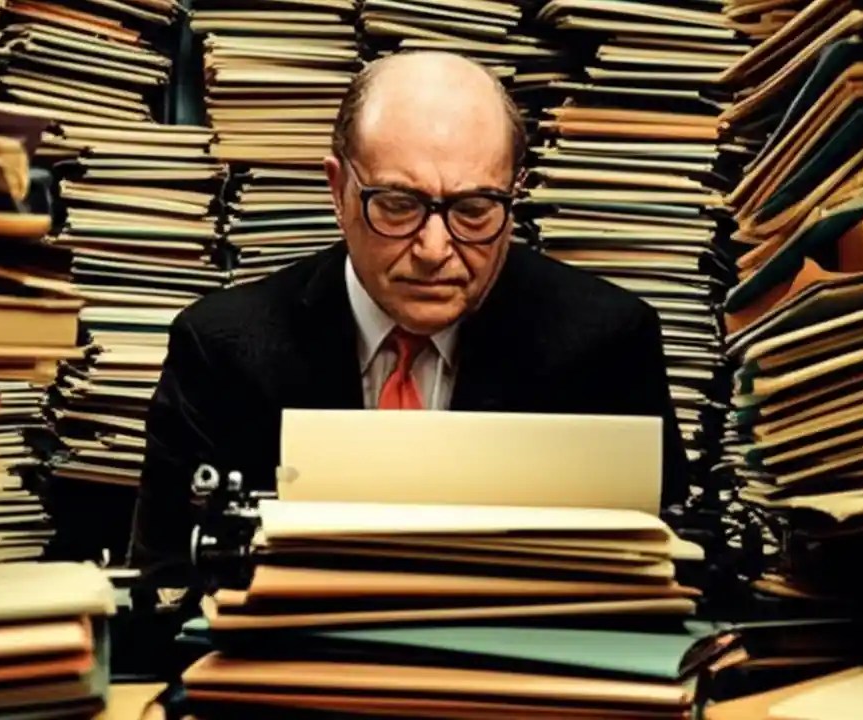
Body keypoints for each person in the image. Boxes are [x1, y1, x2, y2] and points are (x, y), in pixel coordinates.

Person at [129, 51, 689, 583]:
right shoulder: (221, 350)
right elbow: (166, 585)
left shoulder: (607, 345)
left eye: (474, 210)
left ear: (514, 195)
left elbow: (667, 576)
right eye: (398, 206)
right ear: (338, 190)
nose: (433, 249)